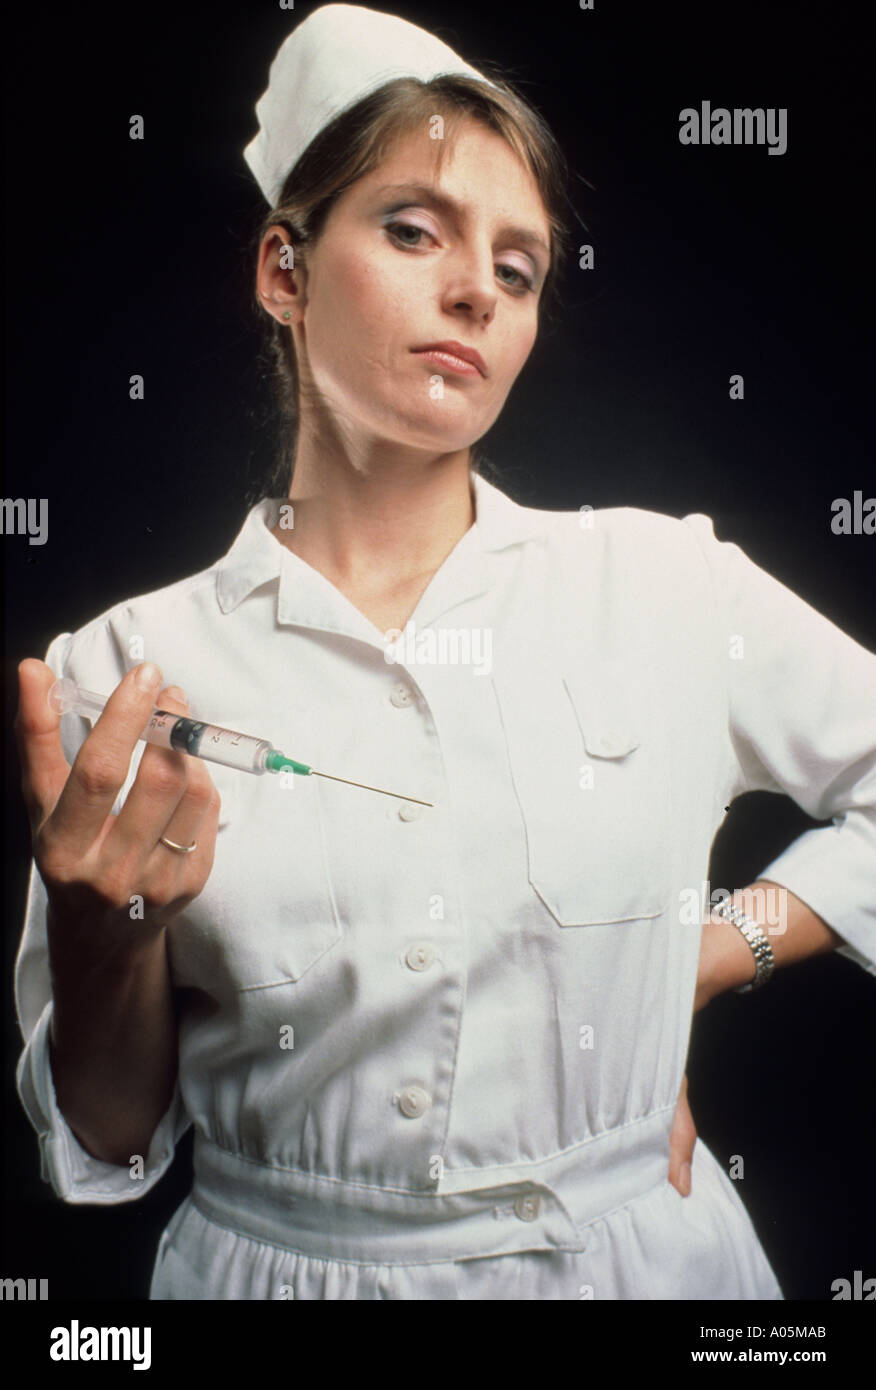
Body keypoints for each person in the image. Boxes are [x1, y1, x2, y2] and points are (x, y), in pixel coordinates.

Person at [13, 4, 876, 1300]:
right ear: (283, 272)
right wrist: (100, 937)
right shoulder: (130, 674)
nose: (477, 285)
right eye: (414, 229)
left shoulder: (663, 586)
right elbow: (111, 1136)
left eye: (518, 267)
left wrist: (706, 950)